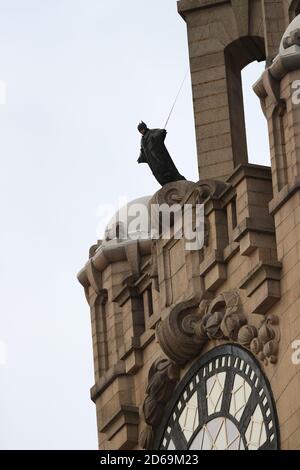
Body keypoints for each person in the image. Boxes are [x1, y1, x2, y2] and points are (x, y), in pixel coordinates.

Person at [137, 121, 186, 186]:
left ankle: (176, 179)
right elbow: (142, 150)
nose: (141, 131)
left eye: (142, 129)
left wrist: (161, 132)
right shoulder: (142, 140)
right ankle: (166, 183)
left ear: (144, 128)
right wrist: (140, 158)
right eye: (140, 130)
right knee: (157, 172)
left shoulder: (151, 132)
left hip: (159, 155)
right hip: (152, 160)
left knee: (166, 168)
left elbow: (159, 132)